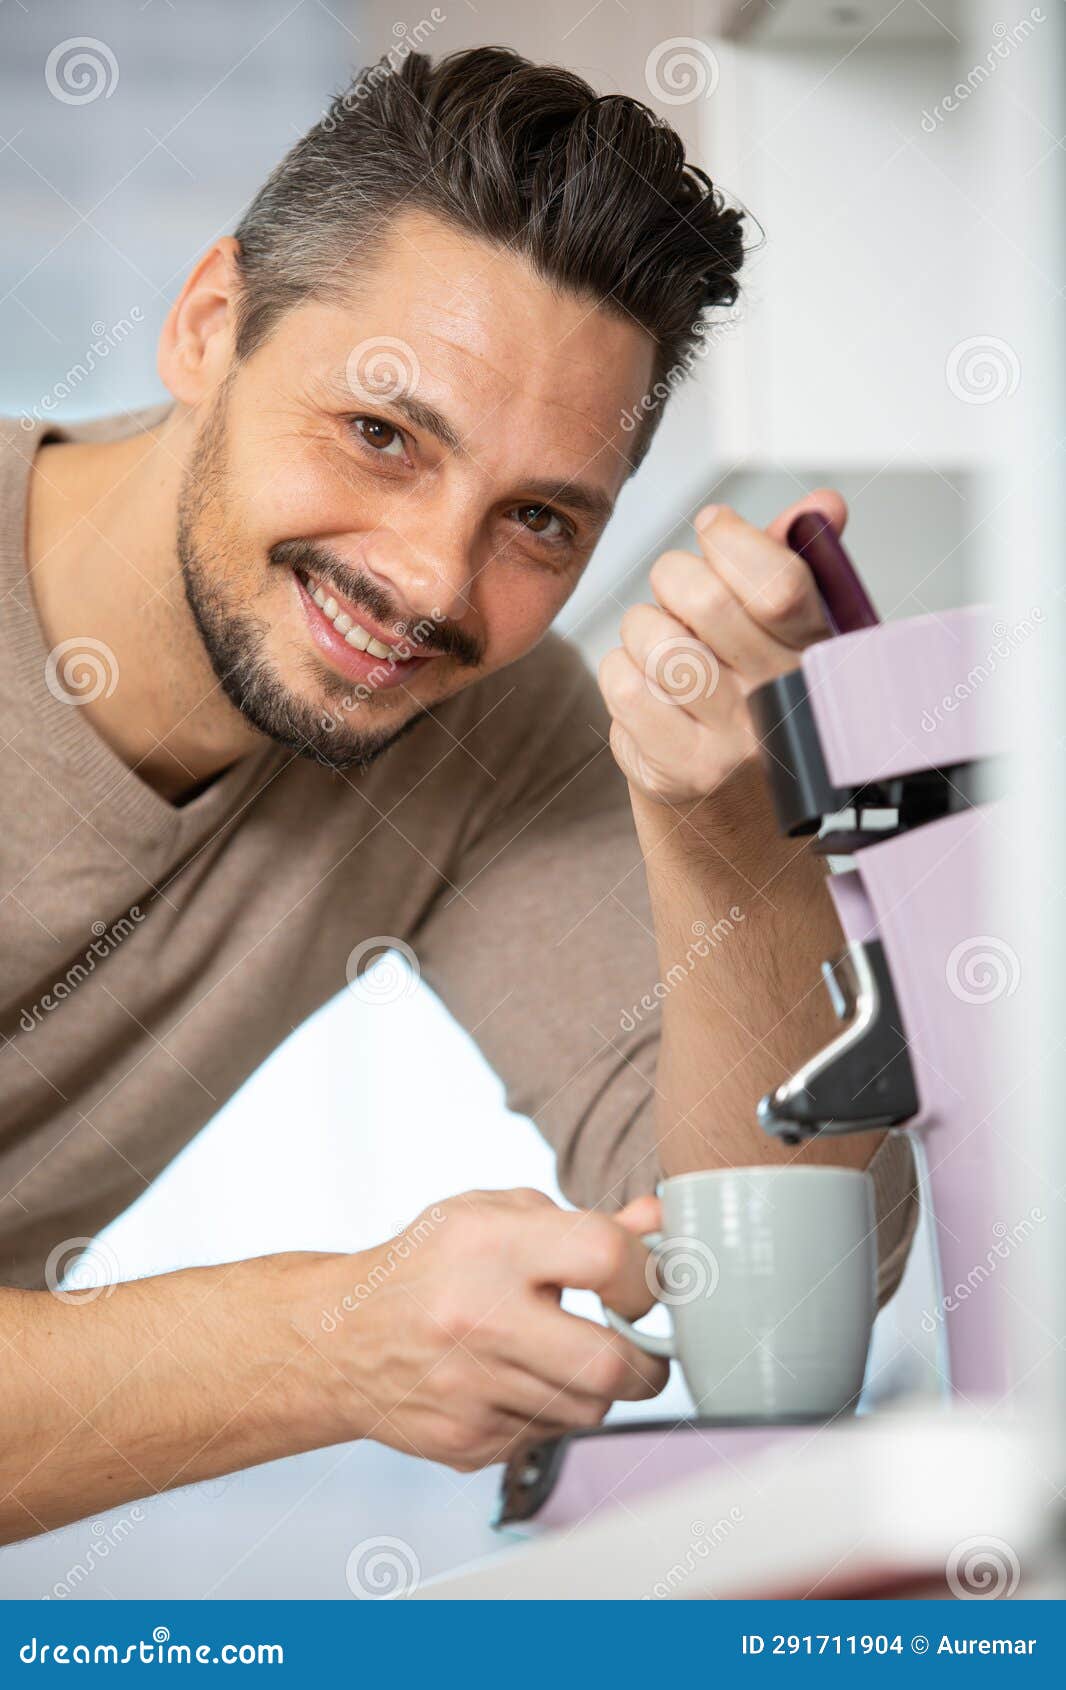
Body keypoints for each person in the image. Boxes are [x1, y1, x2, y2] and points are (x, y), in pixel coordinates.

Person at [0, 47, 915, 1541]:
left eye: (538, 519)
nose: (428, 583)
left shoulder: (491, 723)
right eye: (379, 432)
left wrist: (727, 826)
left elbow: (794, 1291)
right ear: (207, 324)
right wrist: (332, 1339)